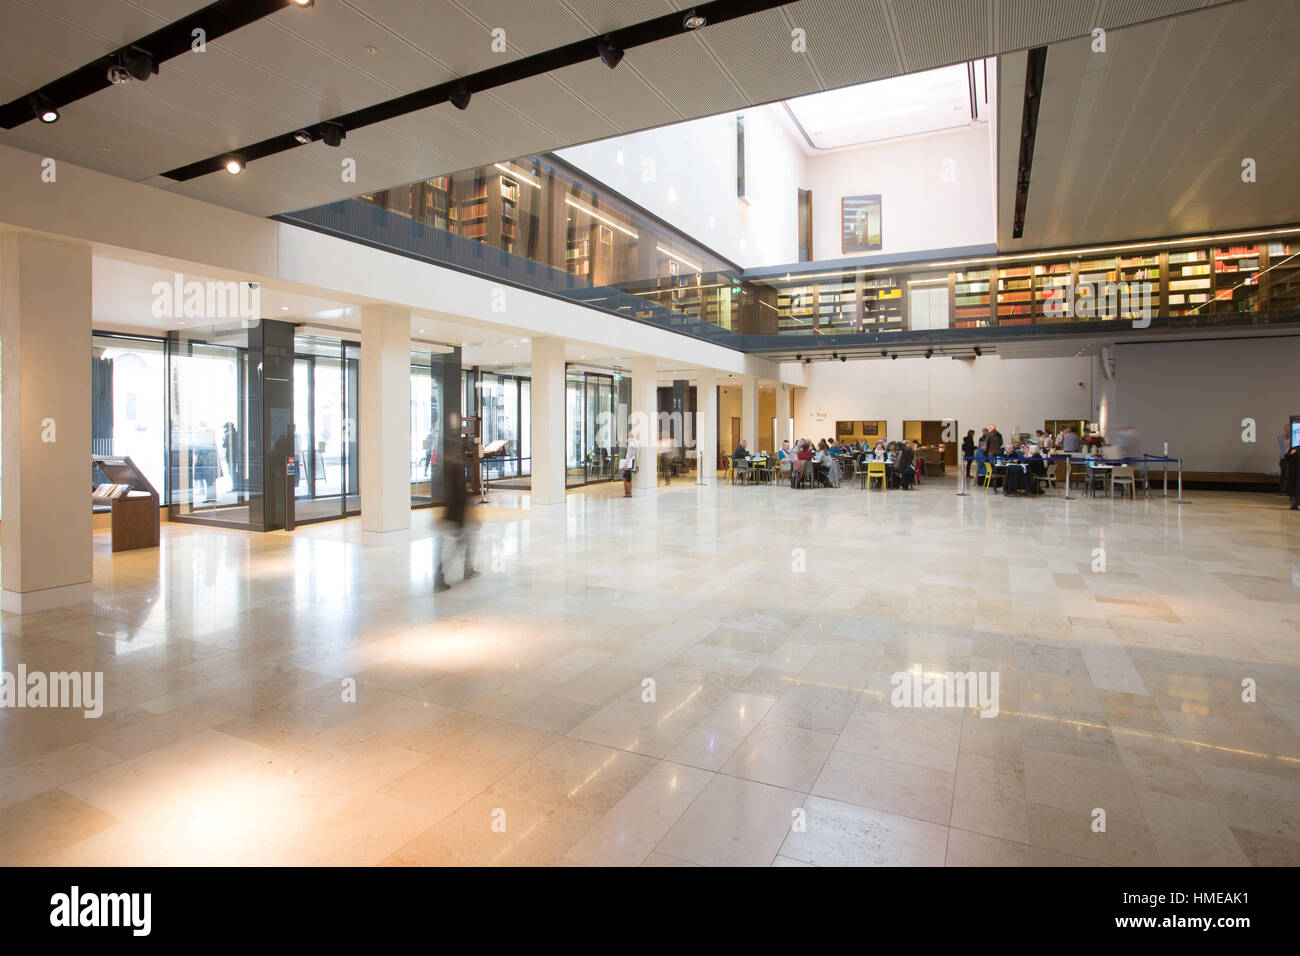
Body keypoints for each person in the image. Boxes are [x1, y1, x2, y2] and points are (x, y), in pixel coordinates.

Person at [435, 457, 478, 593]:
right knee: (456, 548)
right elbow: (462, 501)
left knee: (457, 547)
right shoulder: (458, 489)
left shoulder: (448, 486)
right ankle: (466, 569)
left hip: (450, 520)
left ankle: (466, 568)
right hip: (457, 522)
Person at [1282, 443, 1299, 510]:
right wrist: (1291, 453)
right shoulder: (1294, 448)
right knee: (1293, 488)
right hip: (1294, 472)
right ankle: (1294, 505)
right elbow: (1286, 457)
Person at [621, 431, 637, 497]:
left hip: (629, 462)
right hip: (633, 461)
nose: (626, 439)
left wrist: (626, 464)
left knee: (627, 477)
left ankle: (629, 493)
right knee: (625, 476)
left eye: (627, 437)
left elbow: (628, 455)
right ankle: (627, 491)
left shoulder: (630, 444)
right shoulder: (635, 444)